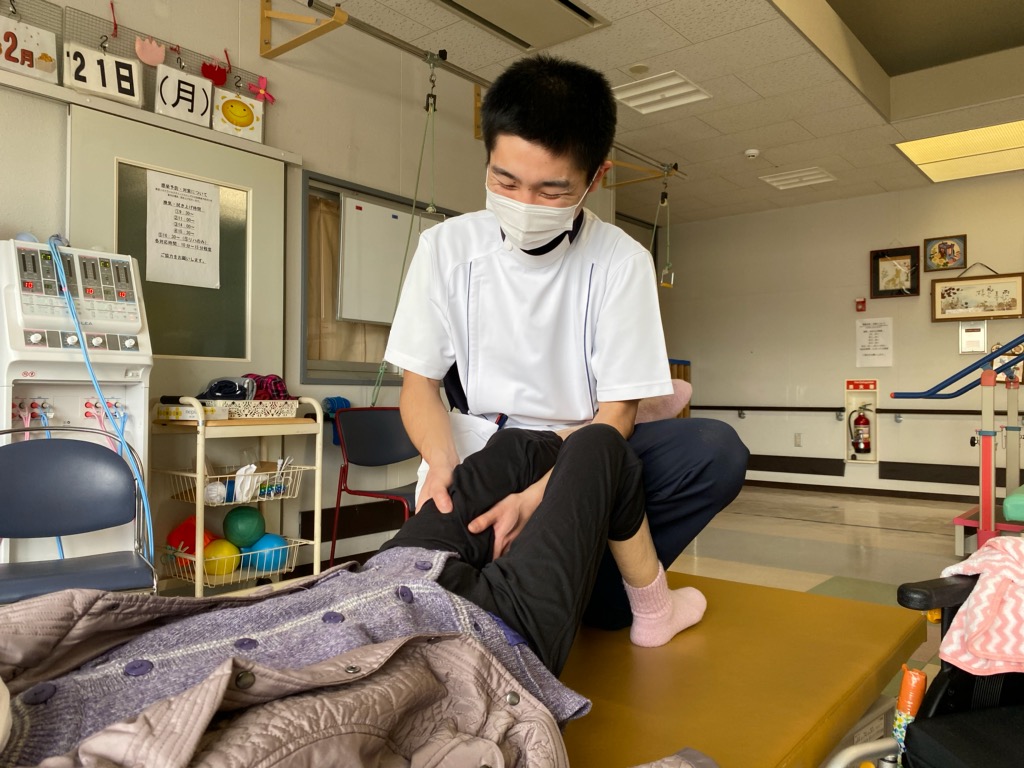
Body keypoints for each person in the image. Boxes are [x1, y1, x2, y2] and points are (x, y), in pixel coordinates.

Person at [383, 54, 749, 631]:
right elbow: (418, 384)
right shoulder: (445, 249)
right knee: (414, 584)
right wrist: (440, 465)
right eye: (505, 181)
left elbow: (617, 414)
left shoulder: (622, 261)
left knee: (713, 449)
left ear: (595, 177)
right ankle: (592, 590)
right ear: (488, 157)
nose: (524, 205)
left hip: (588, 450)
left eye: (551, 191)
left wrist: (540, 499)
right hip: (488, 447)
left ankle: (605, 595)